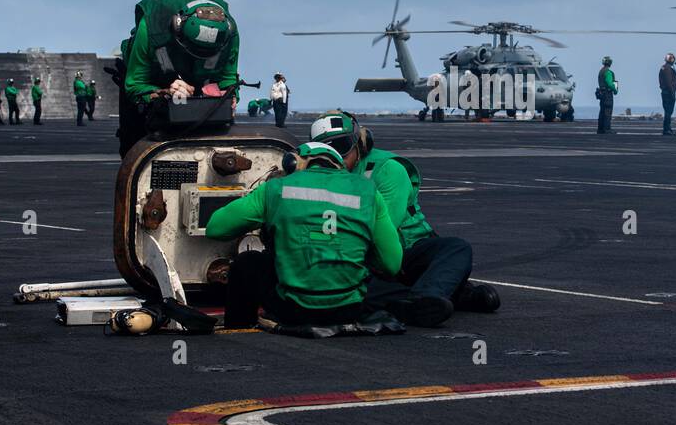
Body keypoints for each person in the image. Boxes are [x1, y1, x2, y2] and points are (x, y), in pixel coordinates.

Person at [313, 111, 500, 326]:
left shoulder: (387, 169)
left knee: (457, 248)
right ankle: (450, 295)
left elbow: (384, 232)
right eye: (327, 150)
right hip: (359, 257)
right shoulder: (318, 176)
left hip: (403, 250)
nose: (336, 157)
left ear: (359, 143)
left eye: (342, 147)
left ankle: (422, 298)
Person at [207, 140, 401, 328]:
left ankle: (238, 327)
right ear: (339, 165)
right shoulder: (369, 192)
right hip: (349, 310)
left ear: (294, 162)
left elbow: (216, 228)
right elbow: (391, 263)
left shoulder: (275, 189)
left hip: (294, 310)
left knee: (247, 262)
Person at [117, 0, 241, 155]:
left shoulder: (229, 33)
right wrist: (163, 93)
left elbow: (228, 77)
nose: (199, 58)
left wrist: (230, 96)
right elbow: (134, 84)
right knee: (134, 145)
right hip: (153, 76)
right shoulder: (151, 30)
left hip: (198, 80)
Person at [596, 55, 618, 134]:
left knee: (602, 111)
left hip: (601, 94)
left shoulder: (601, 71)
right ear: (610, 63)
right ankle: (607, 129)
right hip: (607, 94)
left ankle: (600, 129)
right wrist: (615, 90)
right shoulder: (608, 72)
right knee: (608, 111)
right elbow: (609, 83)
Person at [659, 52, 676, 135]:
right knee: (668, 111)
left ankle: (667, 128)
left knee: (668, 111)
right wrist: (672, 93)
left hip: (665, 91)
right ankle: (666, 129)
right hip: (668, 92)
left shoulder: (664, 67)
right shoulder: (668, 68)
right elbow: (668, 82)